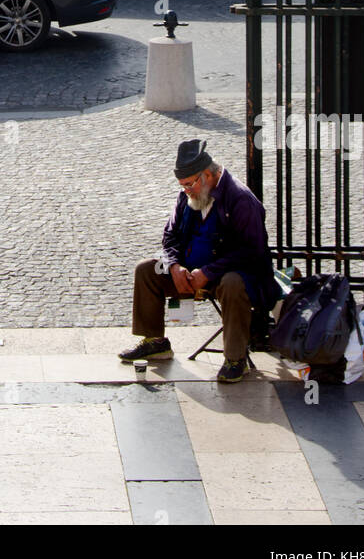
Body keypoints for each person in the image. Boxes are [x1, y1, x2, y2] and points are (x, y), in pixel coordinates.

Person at [118, 139, 279, 383]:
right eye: (182, 186)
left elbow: (251, 251)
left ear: (207, 175)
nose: (186, 191)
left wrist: (208, 272)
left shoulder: (240, 199)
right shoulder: (188, 196)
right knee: (147, 269)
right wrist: (174, 266)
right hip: (189, 273)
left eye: (189, 184)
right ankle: (155, 342)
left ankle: (236, 359)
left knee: (233, 282)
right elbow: (169, 236)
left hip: (231, 276)